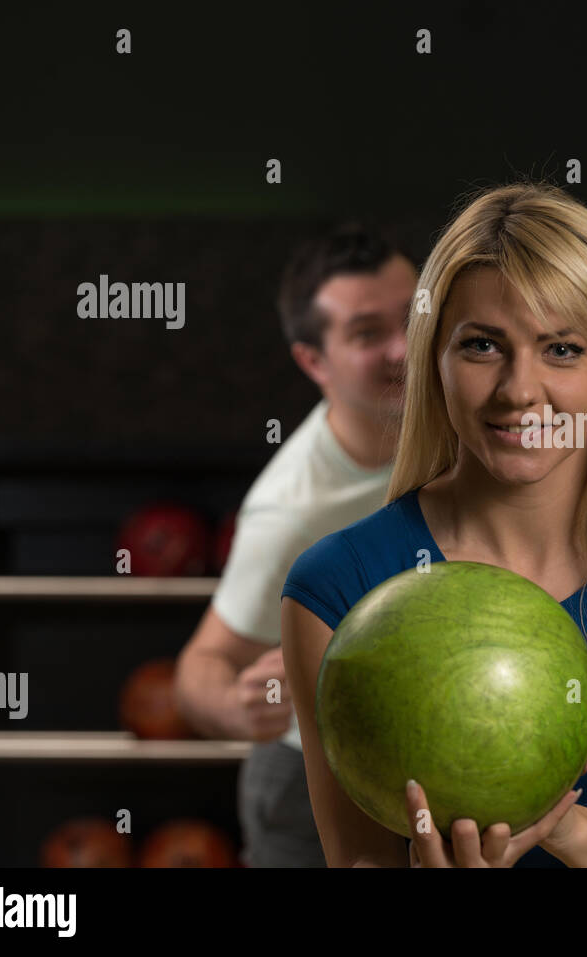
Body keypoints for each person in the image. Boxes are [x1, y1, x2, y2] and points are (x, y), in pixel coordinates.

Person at [280, 182, 587, 868]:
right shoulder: (337, 584)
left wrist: (571, 834)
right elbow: (359, 859)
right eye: (483, 344)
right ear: (435, 361)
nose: (520, 389)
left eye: (563, 349)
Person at [173, 223, 417, 867]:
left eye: (414, 317)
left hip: (445, 764)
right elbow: (199, 669)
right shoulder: (292, 508)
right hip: (310, 789)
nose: (405, 348)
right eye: (368, 334)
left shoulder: (482, 423)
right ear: (314, 361)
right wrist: (236, 704)